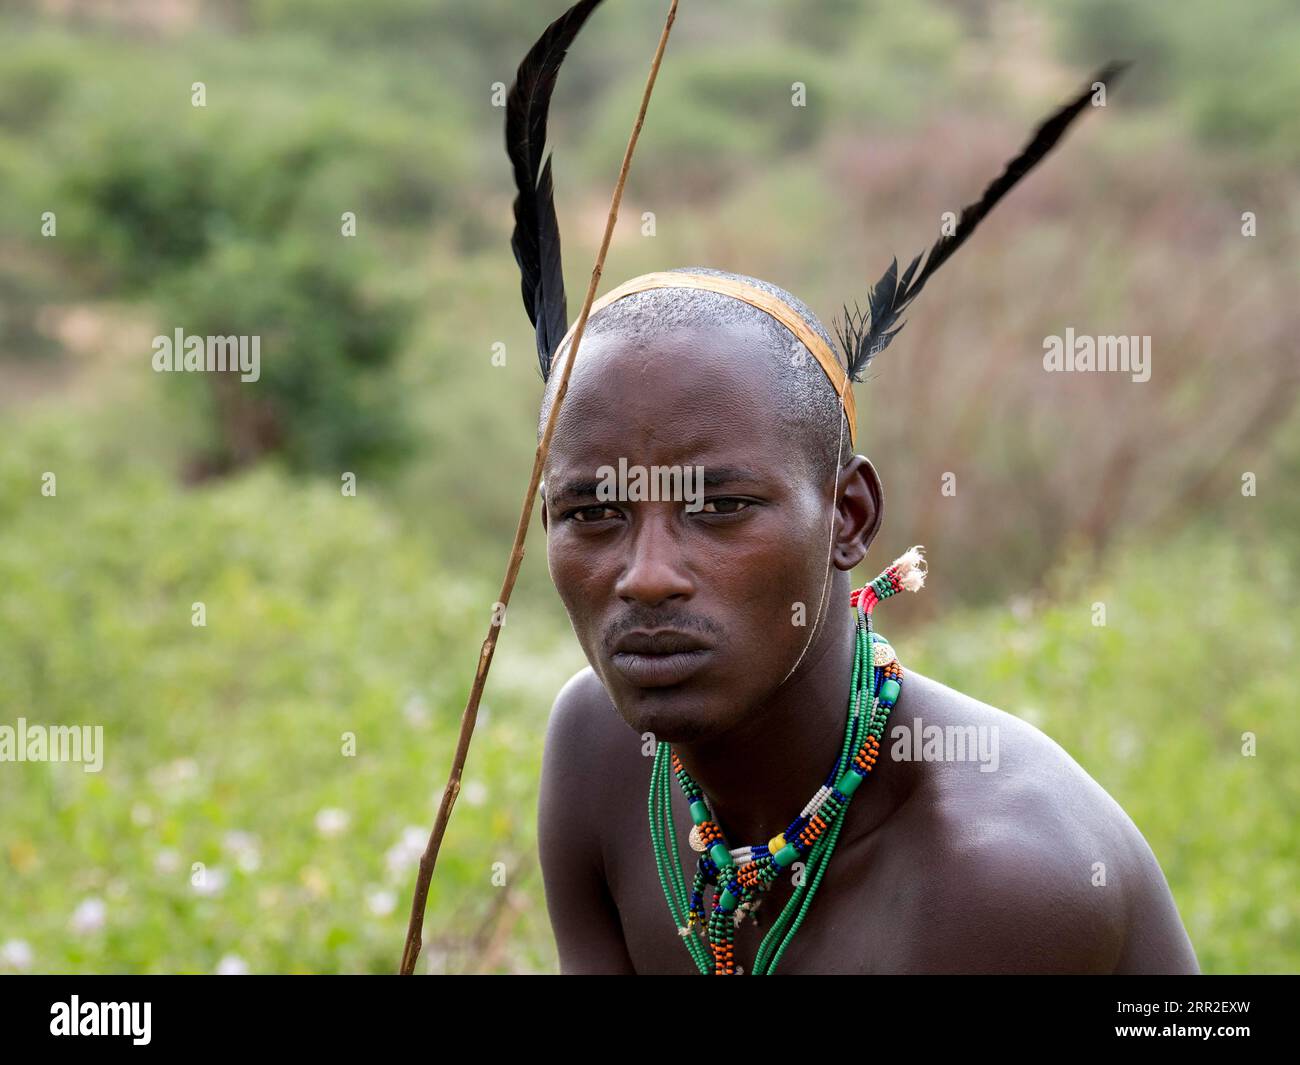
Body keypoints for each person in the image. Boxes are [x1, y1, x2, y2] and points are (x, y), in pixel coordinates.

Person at [509, 1, 1197, 974]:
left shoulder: (998, 883)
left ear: (848, 516)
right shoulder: (599, 756)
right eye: (592, 514)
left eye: (719, 507)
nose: (647, 578)